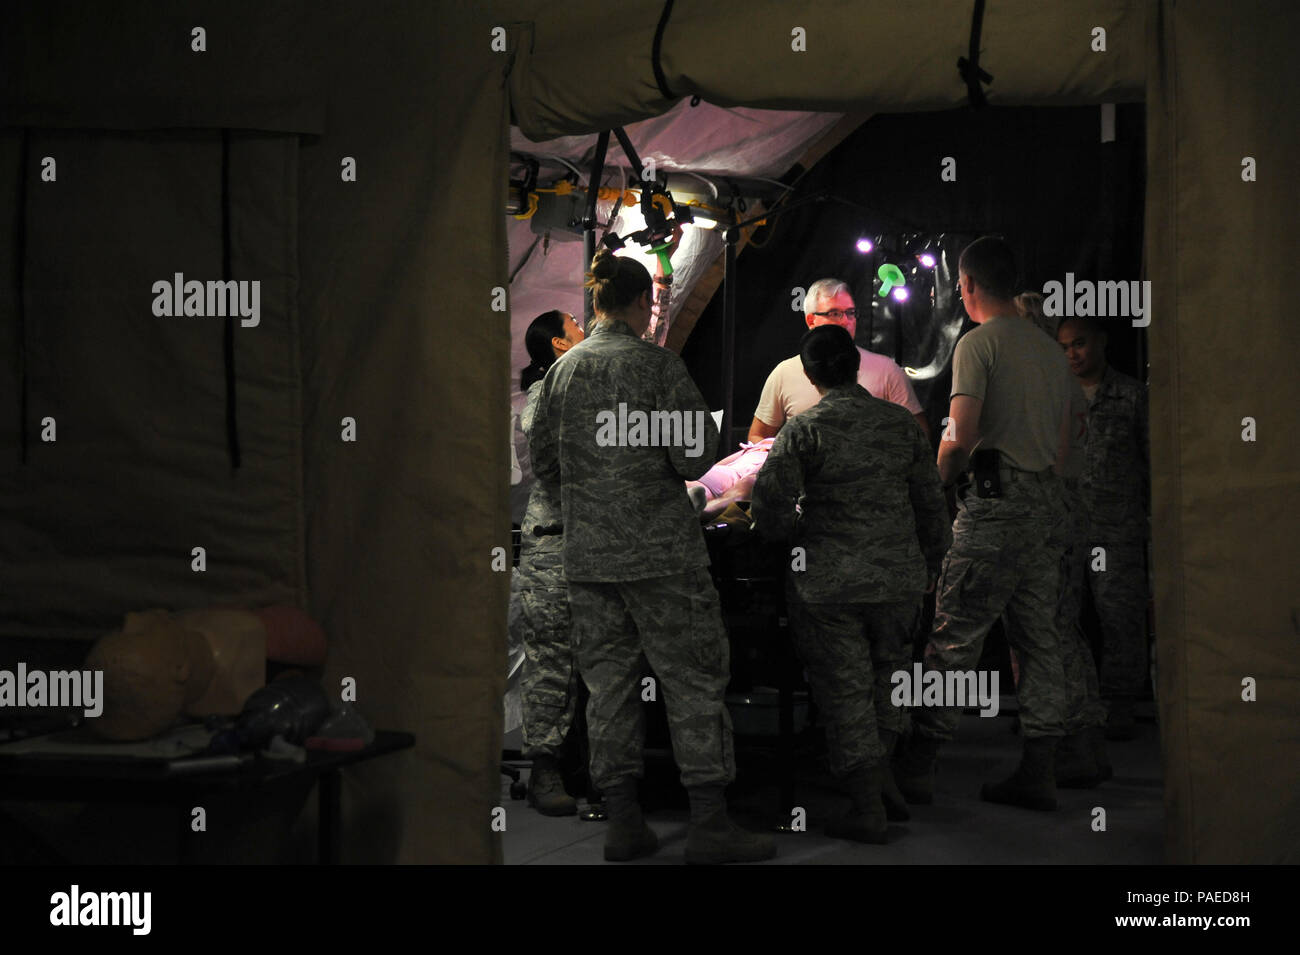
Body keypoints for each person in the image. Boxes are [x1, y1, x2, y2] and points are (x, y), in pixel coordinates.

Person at [530, 248, 776, 864]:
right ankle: (710, 824)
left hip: (588, 561)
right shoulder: (659, 369)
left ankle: (622, 822)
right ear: (644, 302)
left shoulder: (560, 375)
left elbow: (545, 466)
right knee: (692, 680)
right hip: (663, 557)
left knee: (608, 688)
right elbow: (696, 460)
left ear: (596, 302)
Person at [751, 325, 950, 842]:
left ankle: (867, 806)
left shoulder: (804, 430)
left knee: (845, 691)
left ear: (812, 376)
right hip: (897, 581)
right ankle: (882, 779)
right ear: (855, 367)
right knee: (889, 681)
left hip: (829, 585)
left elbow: (769, 513)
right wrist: (928, 564)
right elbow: (933, 505)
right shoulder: (901, 426)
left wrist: (798, 530)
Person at [897, 237, 1073, 811]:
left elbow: (960, 438)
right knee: (1040, 640)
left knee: (954, 638)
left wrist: (935, 483)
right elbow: (1077, 431)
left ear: (966, 285)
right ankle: (1040, 769)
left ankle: (918, 768)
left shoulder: (979, 345)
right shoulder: (1049, 348)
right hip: (1047, 508)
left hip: (994, 510)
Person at [1014, 295, 1111, 785]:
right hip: (1066, 513)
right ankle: (1082, 743)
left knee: (1050, 634)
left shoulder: (1042, 381)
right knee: (1060, 631)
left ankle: (1070, 747)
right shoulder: (1064, 381)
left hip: (1048, 513)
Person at [1057, 316, 1150, 741]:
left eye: (1079, 344)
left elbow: (1154, 464)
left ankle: (1120, 706)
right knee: (1059, 621)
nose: (1072, 354)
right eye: (1064, 347)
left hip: (1118, 531)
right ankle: (1067, 707)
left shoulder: (1132, 396)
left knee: (1121, 620)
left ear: (1101, 343)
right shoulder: (1055, 396)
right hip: (1065, 531)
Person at [510, 310, 585, 815]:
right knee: (552, 661)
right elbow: (548, 456)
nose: (584, 326)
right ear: (558, 343)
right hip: (553, 545)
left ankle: (582, 763)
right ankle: (544, 769)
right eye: (575, 324)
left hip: (589, 540)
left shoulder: (583, 381)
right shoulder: (545, 395)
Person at [748, 278, 931, 443]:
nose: (845, 321)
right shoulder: (784, 373)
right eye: (834, 313)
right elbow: (758, 436)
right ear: (811, 320)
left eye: (850, 312)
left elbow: (919, 433)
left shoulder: (886, 370)